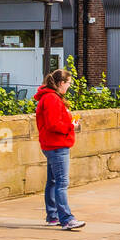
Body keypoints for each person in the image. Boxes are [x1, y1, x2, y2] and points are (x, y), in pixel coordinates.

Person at [34, 68, 84, 230]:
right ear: (61, 83)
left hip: (51, 144)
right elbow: (54, 124)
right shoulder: (52, 99)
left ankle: (53, 216)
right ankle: (67, 219)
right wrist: (71, 126)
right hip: (57, 144)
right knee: (62, 183)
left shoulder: (49, 97)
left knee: (53, 182)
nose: (69, 86)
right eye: (69, 83)